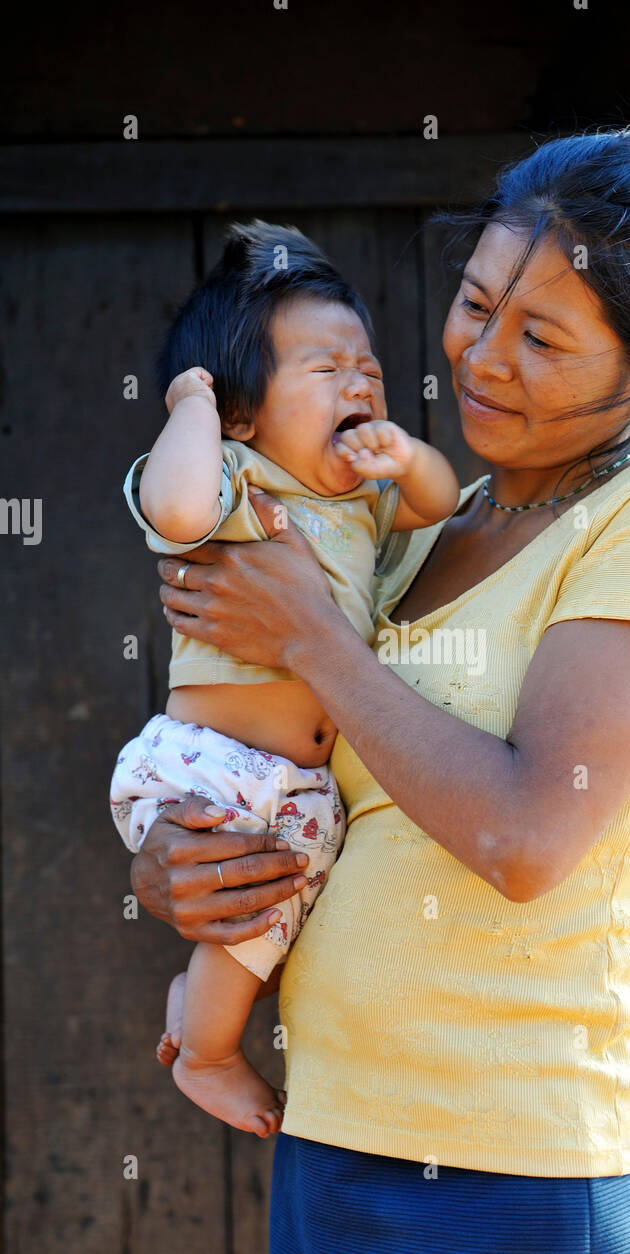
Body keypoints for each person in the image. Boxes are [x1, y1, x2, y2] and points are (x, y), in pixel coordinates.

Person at [128, 126, 630, 1254]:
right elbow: (320, 783)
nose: (481, 357)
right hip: (336, 1137)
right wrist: (183, 863)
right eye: (474, 304)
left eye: (540, 336)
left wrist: (313, 642)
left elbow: (526, 836)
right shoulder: (409, 527)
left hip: (519, 1171)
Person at [109, 220, 460, 1137]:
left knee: (270, 903)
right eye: (326, 368)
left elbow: (440, 503)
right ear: (242, 411)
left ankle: (202, 1007)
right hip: (214, 765)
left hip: (289, 785)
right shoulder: (232, 475)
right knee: (260, 893)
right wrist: (188, 407)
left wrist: (409, 457)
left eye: (369, 367)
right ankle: (211, 1052)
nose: (360, 382)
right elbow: (174, 507)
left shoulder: (358, 499)